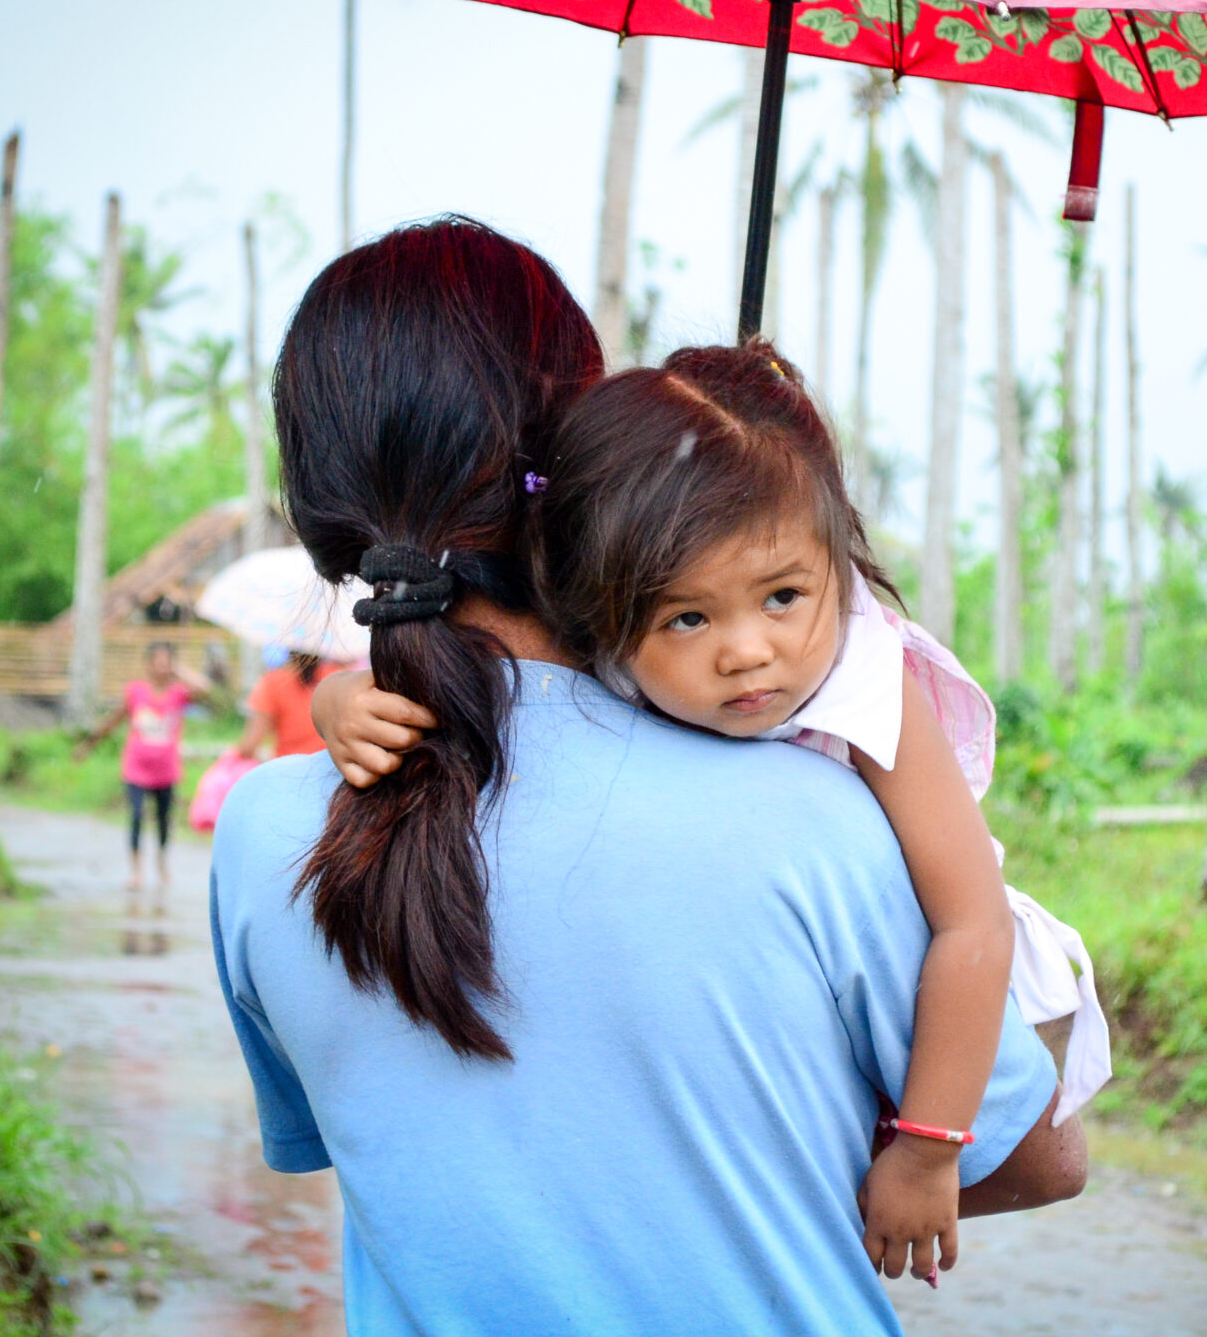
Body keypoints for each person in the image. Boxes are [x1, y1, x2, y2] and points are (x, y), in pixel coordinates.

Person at [211, 218, 1083, 1334]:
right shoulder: (809, 816)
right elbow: (1040, 1156)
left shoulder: (264, 835)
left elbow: (382, 1144)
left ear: (320, 505)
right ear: (569, 467)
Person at [79, 640, 209, 890]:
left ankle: (161, 863)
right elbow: (114, 719)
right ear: (148, 665)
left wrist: (179, 670)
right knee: (137, 816)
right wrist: (89, 744)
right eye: (157, 662)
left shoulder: (179, 694)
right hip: (136, 769)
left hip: (166, 770)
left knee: (163, 819)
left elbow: (205, 688)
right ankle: (136, 871)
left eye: (166, 662)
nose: (161, 667)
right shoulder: (135, 692)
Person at [234, 649, 345, 760]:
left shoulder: (274, 682)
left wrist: (234, 756)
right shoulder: (339, 678)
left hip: (287, 768)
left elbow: (251, 743)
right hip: (332, 768)